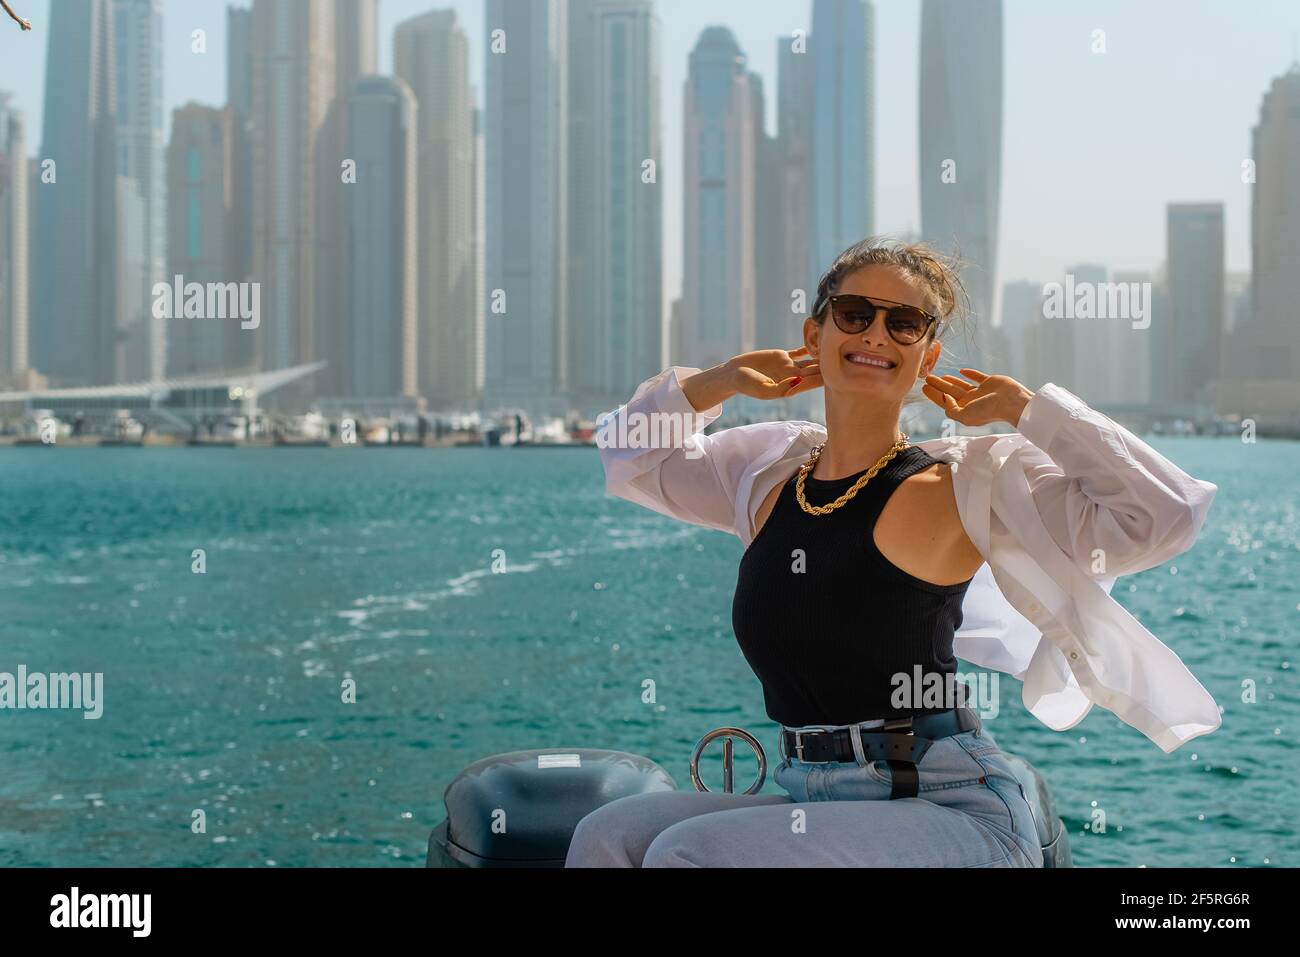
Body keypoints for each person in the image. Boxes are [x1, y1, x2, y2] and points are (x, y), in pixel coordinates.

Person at [565, 237, 1219, 867]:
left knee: (684, 856)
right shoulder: (766, 474)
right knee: (608, 834)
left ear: (926, 355)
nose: (876, 334)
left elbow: (1164, 513)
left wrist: (1030, 411)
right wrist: (718, 381)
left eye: (904, 323)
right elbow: (627, 455)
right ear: (813, 335)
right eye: (854, 313)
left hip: (951, 805)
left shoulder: (962, 485)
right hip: (811, 790)